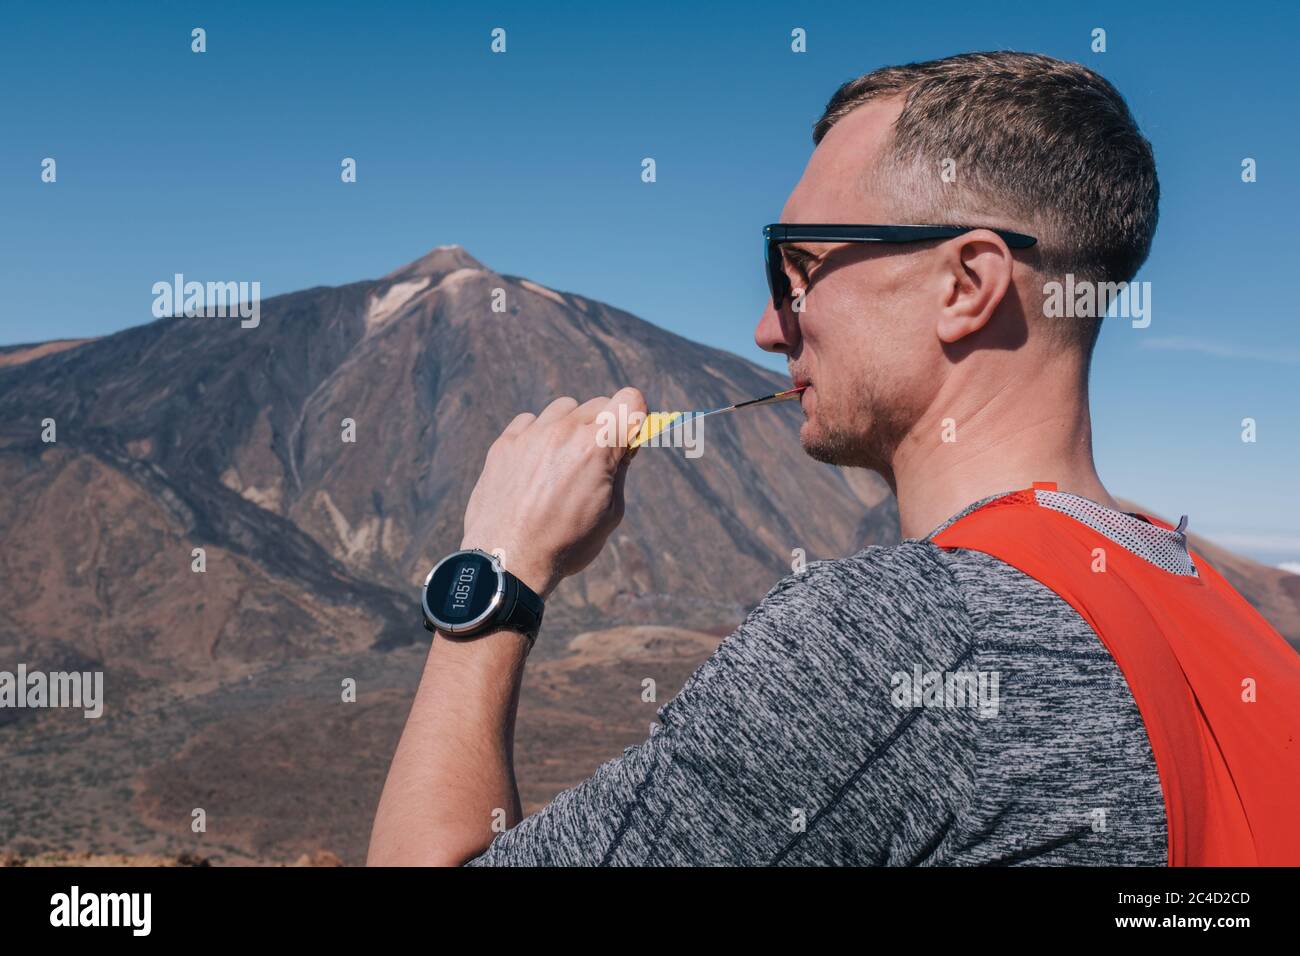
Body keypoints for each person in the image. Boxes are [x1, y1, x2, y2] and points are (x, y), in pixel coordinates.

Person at [368, 51, 1300, 867]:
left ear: (966, 283)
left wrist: (495, 574)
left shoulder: (899, 637)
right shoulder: (1228, 619)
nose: (769, 327)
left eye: (798, 268)